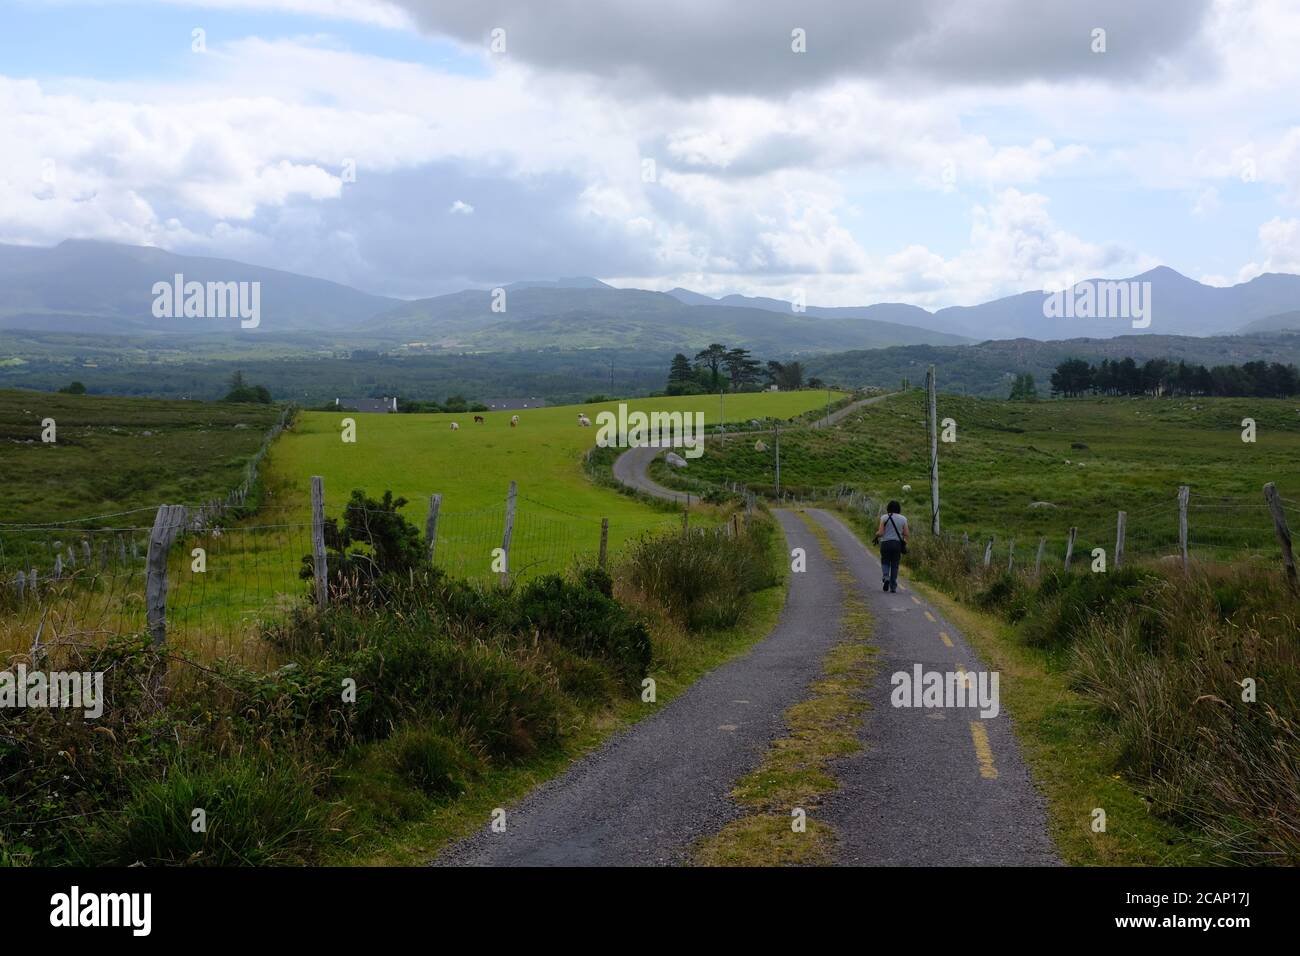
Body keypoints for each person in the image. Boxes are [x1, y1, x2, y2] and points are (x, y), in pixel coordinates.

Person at [875, 500, 909, 593]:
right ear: (898, 508)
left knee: (885, 561)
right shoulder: (903, 519)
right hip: (897, 544)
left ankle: (886, 577)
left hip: (885, 543)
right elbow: (906, 534)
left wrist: (876, 534)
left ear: (888, 508)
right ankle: (893, 586)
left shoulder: (884, 517)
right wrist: (904, 543)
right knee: (895, 564)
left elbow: (881, 533)